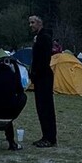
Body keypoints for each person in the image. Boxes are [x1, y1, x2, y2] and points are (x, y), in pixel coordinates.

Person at [0, 53, 27, 150]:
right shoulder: (12, 76)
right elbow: (20, 91)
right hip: (9, 111)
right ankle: (11, 142)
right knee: (23, 97)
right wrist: (15, 66)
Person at [28, 14, 57, 147]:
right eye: (30, 23)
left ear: (39, 23)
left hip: (43, 76)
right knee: (41, 108)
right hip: (40, 76)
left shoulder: (44, 38)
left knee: (46, 108)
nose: (31, 25)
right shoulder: (39, 37)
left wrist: (35, 72)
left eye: (33, 22)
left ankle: (49, 138)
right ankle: (46, 135)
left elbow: (43, 59)